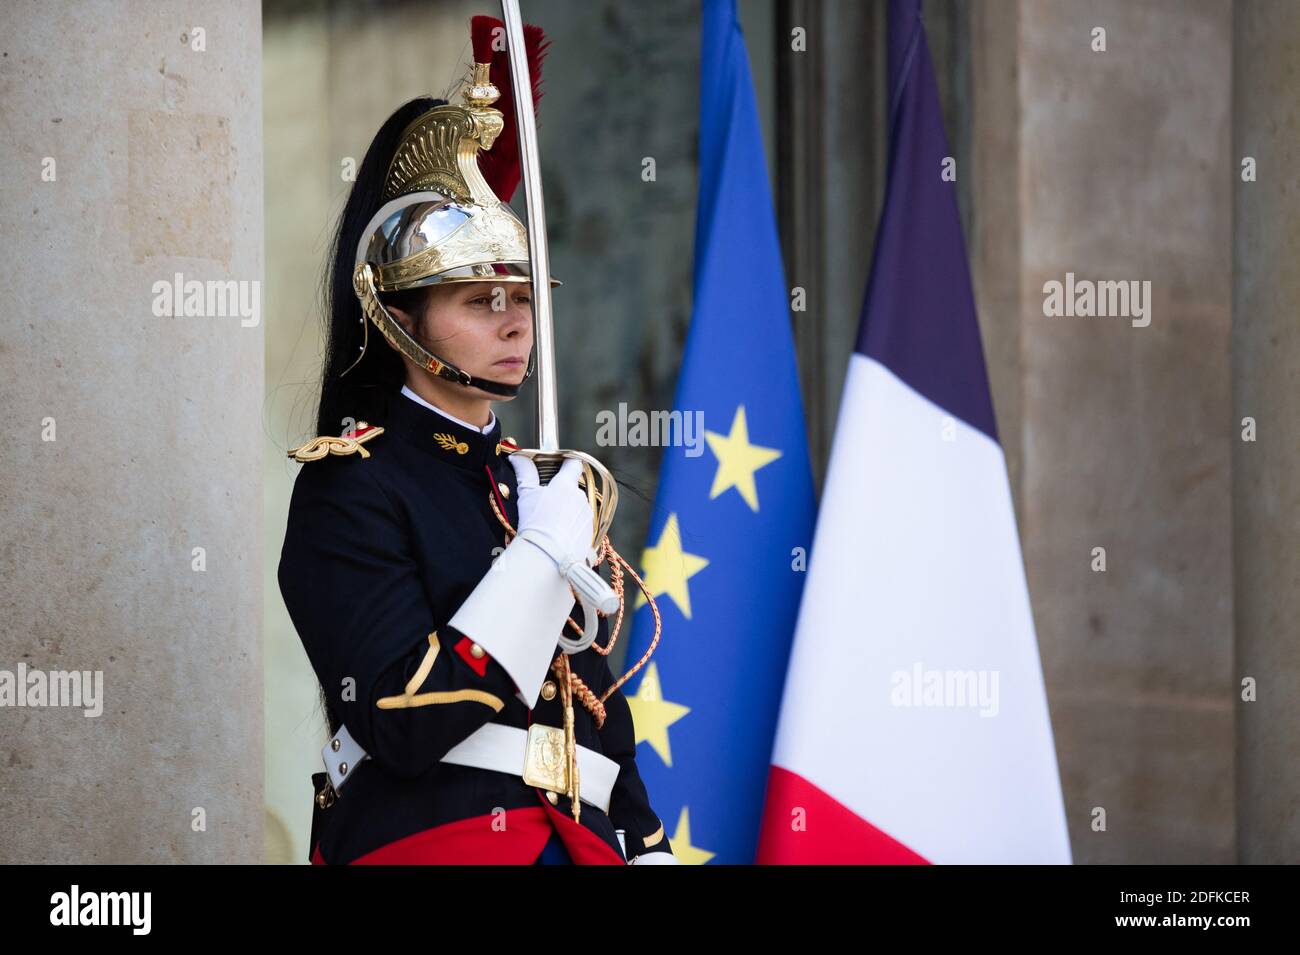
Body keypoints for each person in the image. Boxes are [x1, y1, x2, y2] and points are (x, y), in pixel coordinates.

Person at [277, 17, 677, 866]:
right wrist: (536, 561)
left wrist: (647, 847)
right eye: (476, 300)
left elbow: (594, 711)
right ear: (398, 319)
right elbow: (403, 716)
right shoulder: (354, 484)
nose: (514, 323)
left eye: (522, 298)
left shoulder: (539, 485)